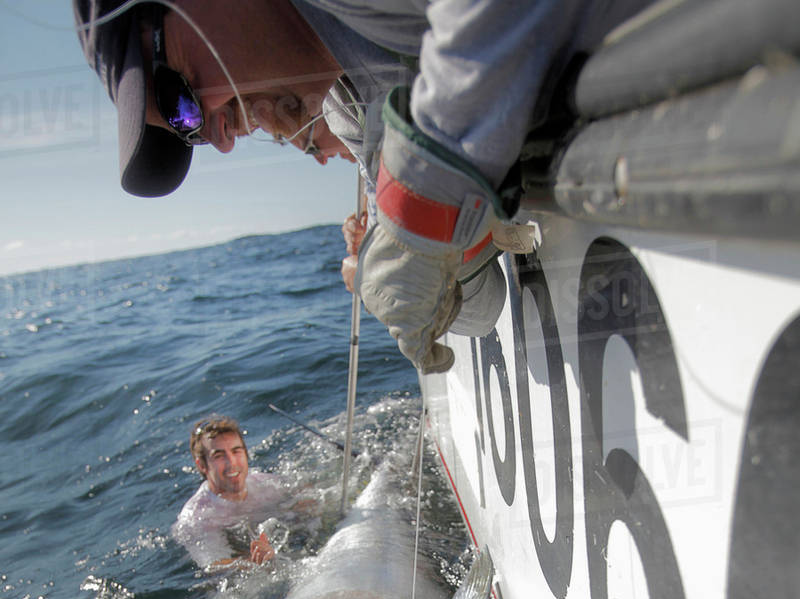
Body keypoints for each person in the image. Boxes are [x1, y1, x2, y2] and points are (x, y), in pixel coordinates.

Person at [74, 0, 651, 373]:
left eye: (178, 98)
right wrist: (422, 244)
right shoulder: (349, 104)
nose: (224, 139)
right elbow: (475, 311)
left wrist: (430, 191)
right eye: (192, 132)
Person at [174, 415, 291, 568]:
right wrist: (256, 561)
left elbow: (304, 497)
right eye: (219, 456)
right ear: (202, 465)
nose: (232, 463)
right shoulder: (197, 518)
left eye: (236, 451)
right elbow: (214, 567)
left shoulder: (266, 484)